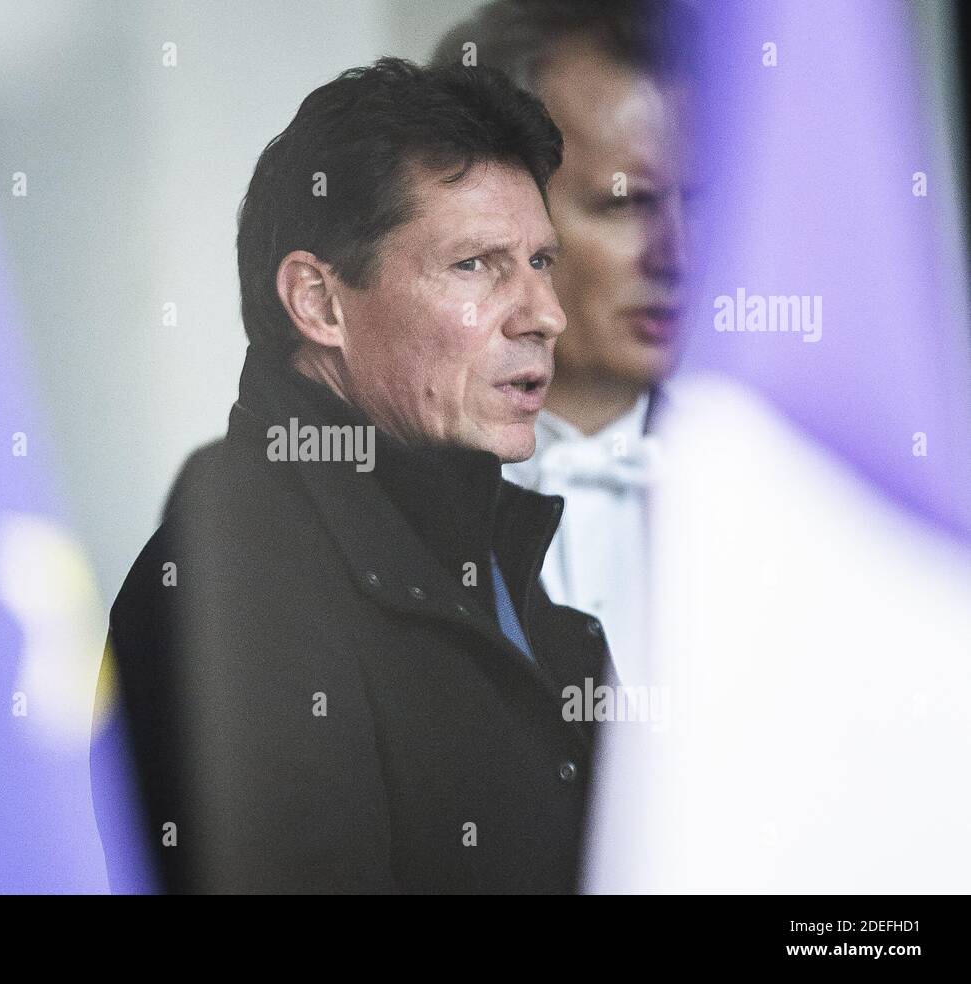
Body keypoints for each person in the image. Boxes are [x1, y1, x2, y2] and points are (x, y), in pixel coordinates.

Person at [98, 57, 613, 893]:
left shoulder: (500, 567)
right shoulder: (230, 583)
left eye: (542, 262)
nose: (545, 315)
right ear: (319, 302)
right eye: (476, 265)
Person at [433, 0, 695, 686]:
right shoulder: (362, 508)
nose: (681, 255)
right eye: (627, 203)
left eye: (700, 203)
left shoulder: (797, 490)